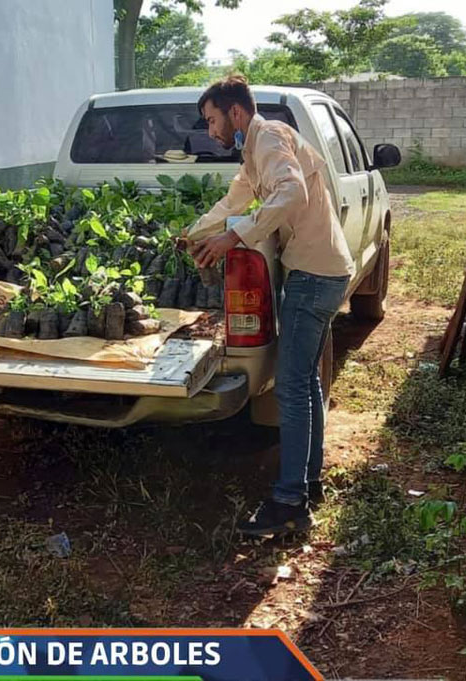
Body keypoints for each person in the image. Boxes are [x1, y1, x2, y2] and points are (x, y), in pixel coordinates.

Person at [188, 76, 356, 536]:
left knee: (291, 389)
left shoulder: (271, 138)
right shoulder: (253, 152)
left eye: (212, 120)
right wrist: (193, 232)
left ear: (235, 112)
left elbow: (291, 192)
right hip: (322, 272)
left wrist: (234, 237)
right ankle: (309, 482)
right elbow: (233, 201)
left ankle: (288, 504)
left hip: (313, 277)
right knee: (306, 384)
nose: (211, 132)